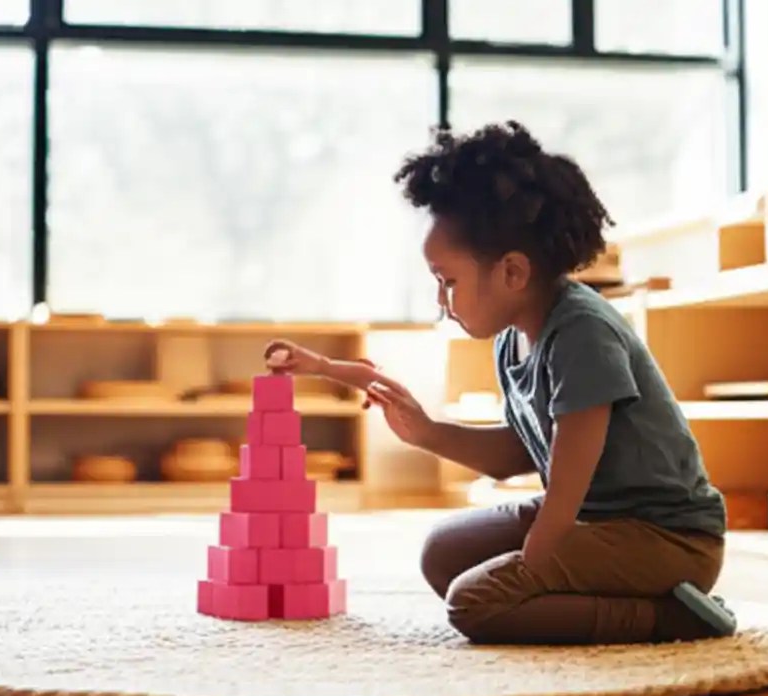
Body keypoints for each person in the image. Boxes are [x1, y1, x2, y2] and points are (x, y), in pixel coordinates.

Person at [262, 120, 736, 645]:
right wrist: (425, 432)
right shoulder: (513, 341)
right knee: (442, 554)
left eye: (448, 282)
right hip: (596, 521)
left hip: (667, 539)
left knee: (475, 602)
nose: (442, 300)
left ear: (512, 273)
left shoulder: (582, 331)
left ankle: (669, 618)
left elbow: (573, 469)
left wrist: (536, 559)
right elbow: (520, 453)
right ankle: (623, 598)